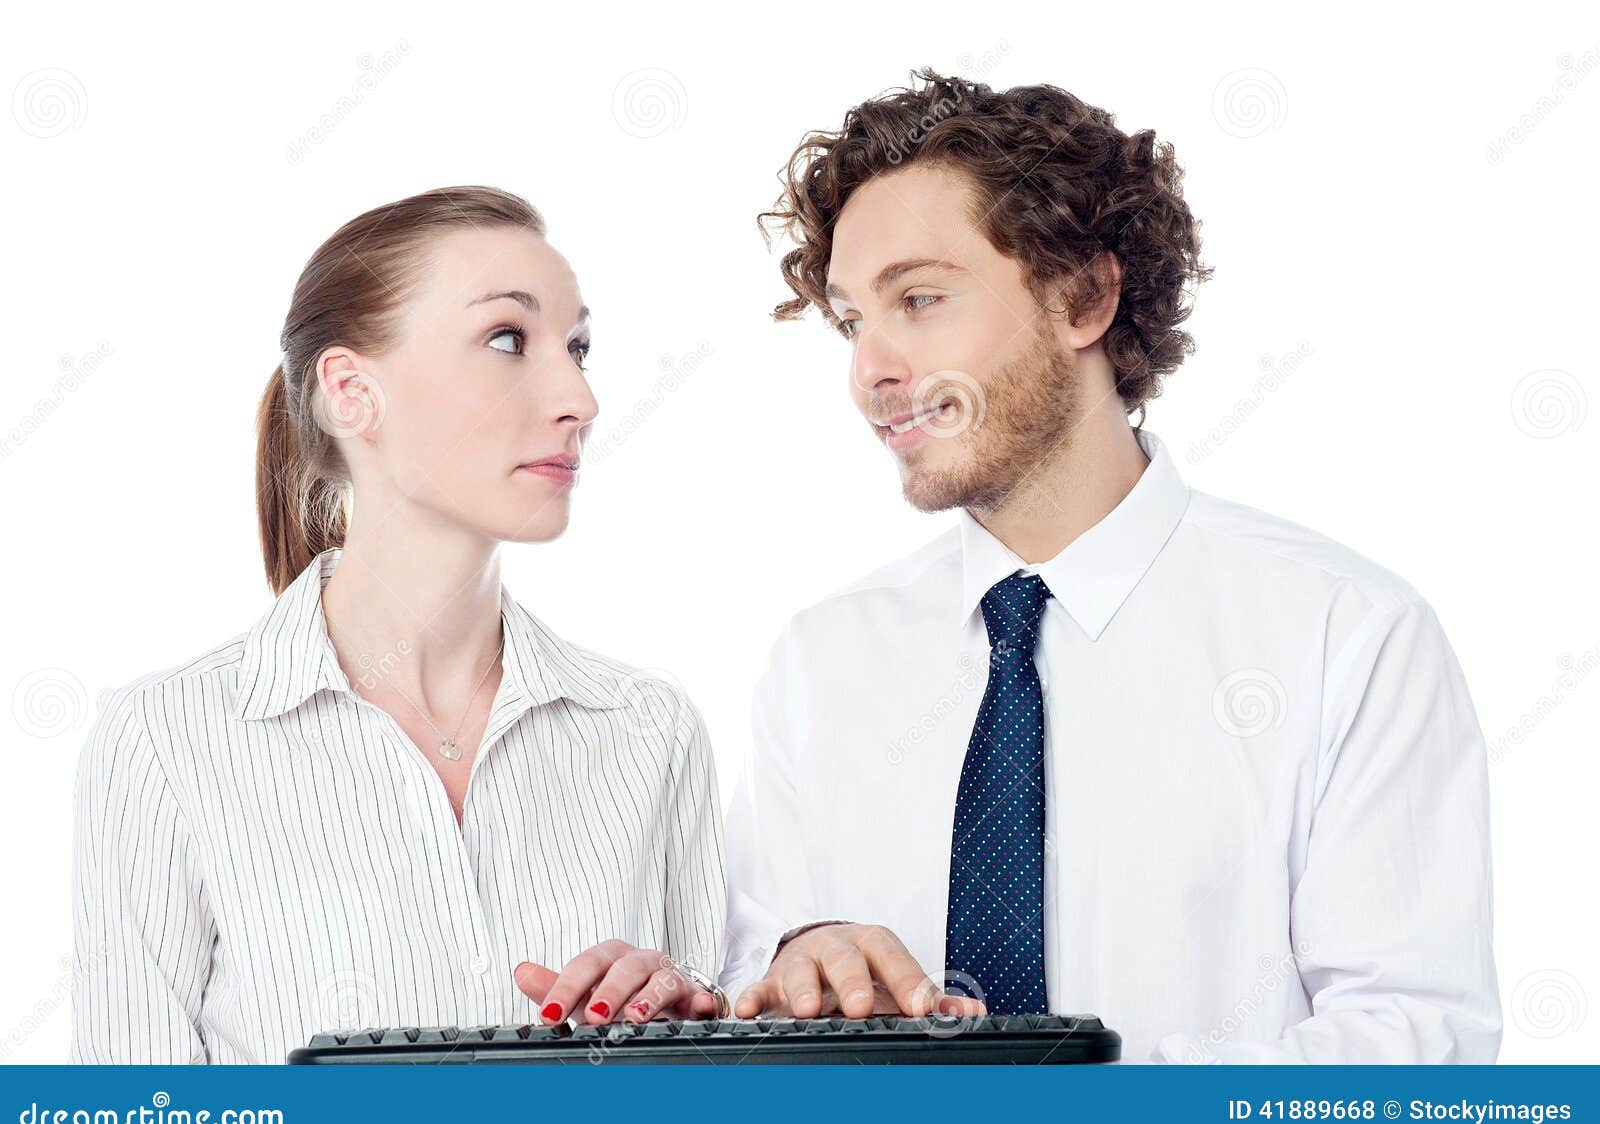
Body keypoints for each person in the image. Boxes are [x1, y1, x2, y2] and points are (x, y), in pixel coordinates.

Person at [722, 71, 1501, 1063]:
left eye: (918, 299)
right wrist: (798, 966)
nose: (869, 371)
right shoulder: (819, 663)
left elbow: (1417, 1049)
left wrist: (1078, 1115)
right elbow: (752, 987)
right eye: (850, 321)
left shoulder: (1342, 636)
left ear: (1081, 297)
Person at [71, 186, 726, 1064]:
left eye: (578, 347)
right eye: (507, 340)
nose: (580, 397)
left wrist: (695, 1022)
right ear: (351, 392)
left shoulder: (652, 728)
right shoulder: (163, 739)